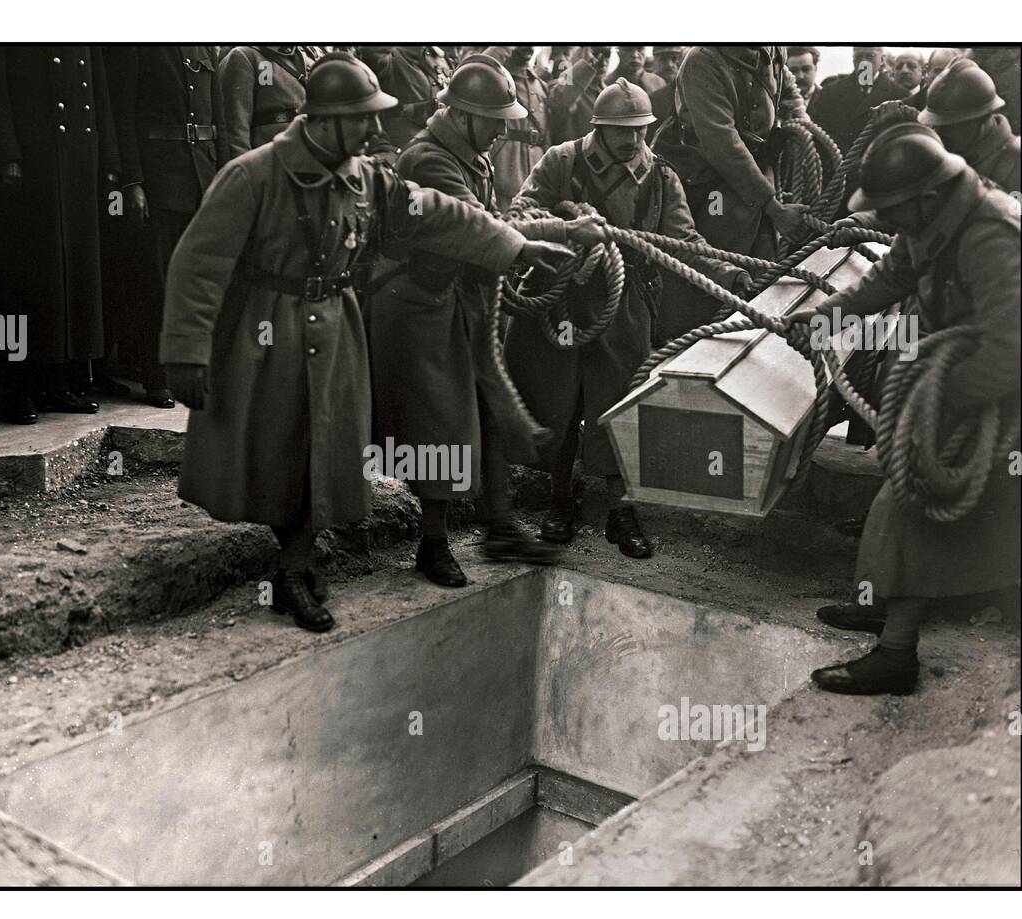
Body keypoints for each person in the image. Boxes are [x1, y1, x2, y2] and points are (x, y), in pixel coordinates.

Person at [158, 54, 572, 631]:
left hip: (337, 330)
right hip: (268, 335)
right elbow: (198, 265)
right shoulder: (252, 175)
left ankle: (297, 564)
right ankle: (293, 569)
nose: (376, 131)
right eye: (363, 120)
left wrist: (513, 245)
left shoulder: (366, 178)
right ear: (325, 121)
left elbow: (431, 211)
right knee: (283, 450)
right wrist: (186, 350)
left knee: (327, 451)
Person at [785, 124, 1020, 695]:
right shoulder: (937, 220)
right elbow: (889, 279)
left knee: (908, 502)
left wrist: (936, 403)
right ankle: (886, 604)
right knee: (911, 502)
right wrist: (826, 319)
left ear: (926, 197)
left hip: (998, 395)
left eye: (893, 208)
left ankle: (895, 656)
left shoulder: (992, 235)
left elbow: (1012, 348)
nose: (886, 221)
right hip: (962, 384)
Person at [368, 55, 604, 586]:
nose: (503, 130)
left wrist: (550, 230)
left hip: (457, 303)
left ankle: (498, 525)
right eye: (495, 119)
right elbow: (481, 225)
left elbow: (496, 223)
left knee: (490, 415)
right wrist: (562, 235)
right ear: (463, 115)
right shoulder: (429, 160)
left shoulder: (470, 153)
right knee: (440, 430)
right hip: (420, 311)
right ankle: (433, 544)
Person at [505, 79, 751, 559]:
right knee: (559, 403)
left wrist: (728, 272)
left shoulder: (661, 177)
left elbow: (685, 241)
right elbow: (520, 212)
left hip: (626, 303)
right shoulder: (562, 160)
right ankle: (560, 501)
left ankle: (622, 511)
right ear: (599, 127)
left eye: (641, 131)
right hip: (561, 299)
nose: (634, 141)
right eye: (623, 132)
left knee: (620, 406)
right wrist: (567, 225)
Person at [0, 45, 120, 422]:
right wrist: (4, 153)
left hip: (76, 157)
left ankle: (56, 380)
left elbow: (97, 90)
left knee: (69, 280)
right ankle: (14, 388)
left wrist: (110, 161)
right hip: (31, 161)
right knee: (26, 282)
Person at [103, 45, 229, 408]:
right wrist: (133, 181)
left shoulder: (204, 45)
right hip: (159, 179)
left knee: (200, 281)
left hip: (202, 178)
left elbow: (217, 117)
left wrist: (222, 178)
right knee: (156, 284)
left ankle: (199, 368)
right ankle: (157, 377)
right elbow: (123, 115)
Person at [652, 46, 806, 336]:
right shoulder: (702, 61)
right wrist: (773, 207)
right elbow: (722, 142)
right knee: (708, 268)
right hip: (703, 178)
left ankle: (753, 336)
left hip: (756, 168)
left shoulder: (771, 47)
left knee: (761, 265)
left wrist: (802, 124)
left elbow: (787, 89)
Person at [920, 58, 1021, 192]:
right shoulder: (946, 154)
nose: (939, 132)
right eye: (935, 124)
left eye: (951, 125)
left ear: (983, 117)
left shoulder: (1016, 161)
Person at [480, 46, 550, 208]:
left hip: (535, 177)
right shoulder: (495, 77)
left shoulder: (540, 85)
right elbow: (478, 69)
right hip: (505, 173)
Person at [808, 47, 907, 159]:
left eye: (870, 56)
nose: (864, 62)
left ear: (882, 60)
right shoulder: (829, 93)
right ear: (853, 60)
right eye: (859, 57)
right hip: (839, 166)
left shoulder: (900, 95)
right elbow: (821, 135)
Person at [357, 46, 451, 161]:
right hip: (404, 155)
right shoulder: (389, 57)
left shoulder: (437, 55)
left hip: (444, 149)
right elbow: (370, 50)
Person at [218, 46, 314, 158]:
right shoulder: (244, 56)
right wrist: (245, 169)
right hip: (268, 160)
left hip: (305, 157)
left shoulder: (307, 58)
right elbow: (235, 128)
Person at [547, 47, 610, 144]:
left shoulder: (609, 93)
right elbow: (559, 102)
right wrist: (586, 65)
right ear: (578, 53)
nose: (602, 61)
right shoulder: (566, 87)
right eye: (595, 53)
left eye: (607, 54)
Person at [647, 46, 686, 133]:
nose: (669, 64)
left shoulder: (686, 91)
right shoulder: (645, 90)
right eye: (663, 59)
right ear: (654, 61)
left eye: (674, 58)